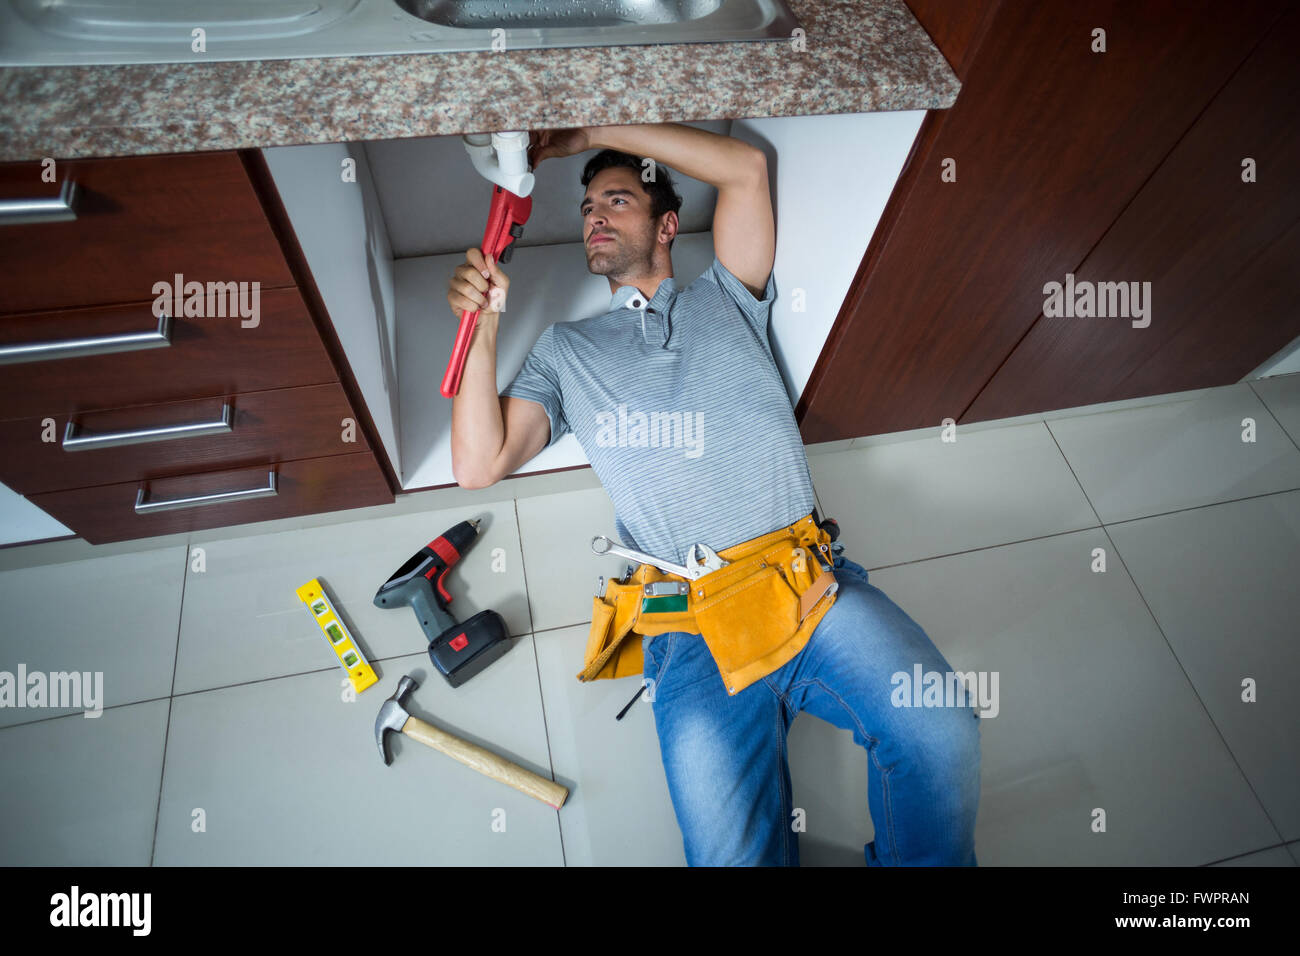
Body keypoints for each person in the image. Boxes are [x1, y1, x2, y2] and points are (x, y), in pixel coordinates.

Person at [447, 122, 980, 866]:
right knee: (731, 857)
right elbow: (478, 462)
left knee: (940, 726)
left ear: (668, 226)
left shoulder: (728, 296)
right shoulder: (568, 352)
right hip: (688, 618)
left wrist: (584, 133)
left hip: (805, 582)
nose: (594, 215)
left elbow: (746, 169)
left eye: (618, 199)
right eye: (588, 206)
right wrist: (482, 324)